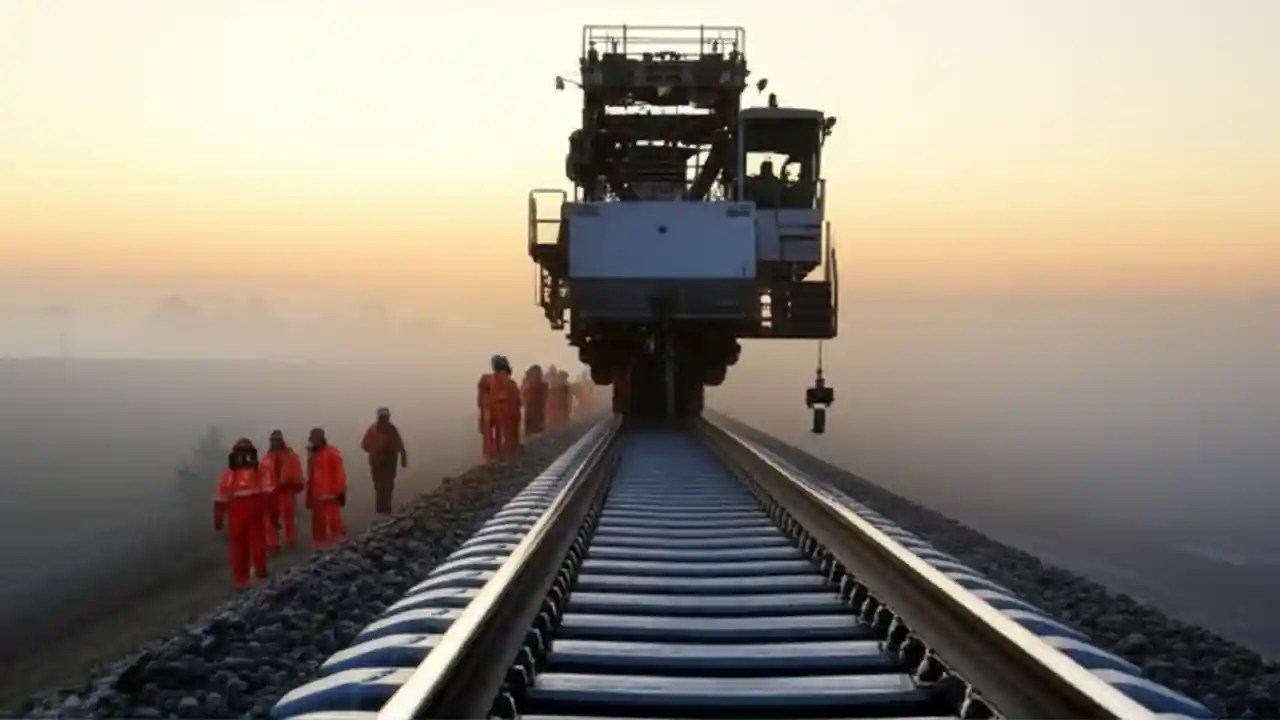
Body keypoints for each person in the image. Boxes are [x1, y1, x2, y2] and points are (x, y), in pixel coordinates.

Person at [213, 438, 268, 588]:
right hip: (251, 512)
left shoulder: (229, 474)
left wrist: (218, 519)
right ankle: (258, 575)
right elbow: (268, 493)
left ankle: (243, 579)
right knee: (255, 544)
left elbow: (220, 499)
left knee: (241, 547)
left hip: (239, 513)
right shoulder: (258, 472)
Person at [260, 429, 304, 550]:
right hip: (269, 492)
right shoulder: (267, 457)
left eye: (277, 440)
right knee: (271, 519)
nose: (274, 442)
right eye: (273, 440)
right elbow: (262, 473)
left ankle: (290, 540)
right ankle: (273, 543)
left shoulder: (288, 455)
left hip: (285, 491)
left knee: (287, 517)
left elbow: (293, 472)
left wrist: (286, 483)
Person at [306, 427, 348, 548]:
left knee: (334, 518)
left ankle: (340, 539)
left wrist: (340, 488)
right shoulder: (312, 455)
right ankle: (320, 543)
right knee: (318, 521)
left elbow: (339, 471)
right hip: (317, 492)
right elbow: (311, 474)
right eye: (312, 439)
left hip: (331, 492)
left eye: (316, 438)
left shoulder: (331, 452)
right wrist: (310, 492)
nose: (314, 441)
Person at [361, 407, 407, 514]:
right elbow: (364, 445)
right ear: (379, 417)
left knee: (388, 484)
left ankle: (386, 506)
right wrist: (374, 451)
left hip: (390, 459)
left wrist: (403, 457)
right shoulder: (373, 429)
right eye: (383, 417)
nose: (386, 419)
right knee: (379, 485)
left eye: (387, 417)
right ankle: (381, 508)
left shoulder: (392, 429)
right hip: (377, 461)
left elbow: (399, 444)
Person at [484, 355, 522, 458]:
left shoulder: (490, 381)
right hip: (508, 416)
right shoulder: (510, 383)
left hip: (495, 416)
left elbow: (485, 401)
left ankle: (497, 457)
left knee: (496, 440)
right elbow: (518, 401)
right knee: (508, 440)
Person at [521, 365, 548, 437]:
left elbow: (523, 398)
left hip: (537, 413)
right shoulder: (543, 385)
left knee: (537, 434)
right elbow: (523, 398)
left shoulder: (542, 386)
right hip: (532, 413)